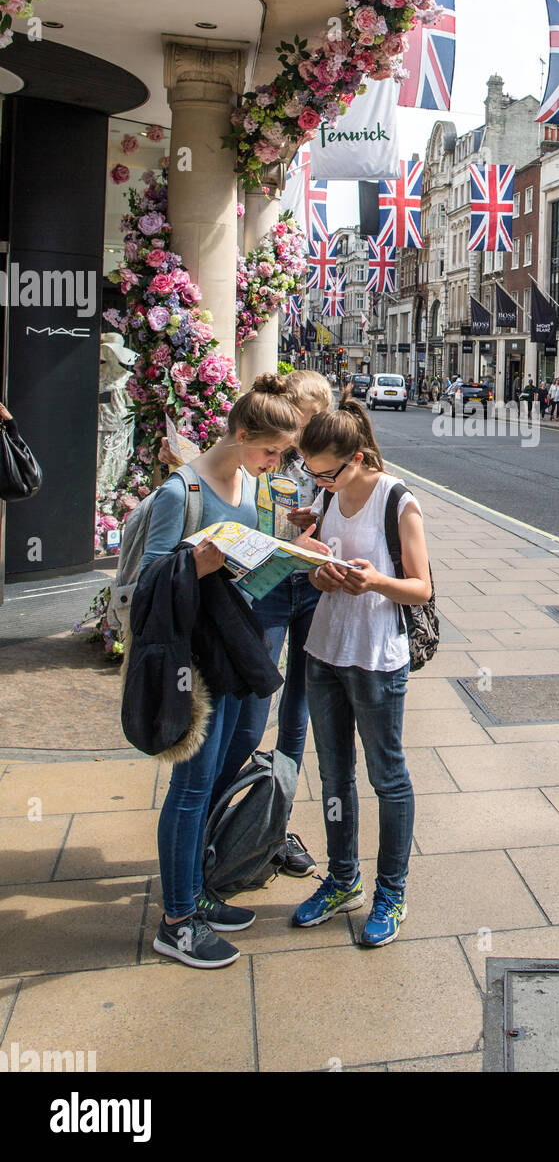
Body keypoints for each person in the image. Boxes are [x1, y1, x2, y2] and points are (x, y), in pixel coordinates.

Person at [145, 375, 301, 969]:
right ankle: (177, 920)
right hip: (194, 665)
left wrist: (288, 547)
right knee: (188, 791)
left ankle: (199, 895)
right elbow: (149, 584)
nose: (275, 462)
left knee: (210, 781)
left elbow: (248, 564)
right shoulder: (179, 493)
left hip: (233, 649)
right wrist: (200, 562)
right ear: (240, 435)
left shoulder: (247, 483)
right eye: (270, 451)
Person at [291, 395, 432, 947]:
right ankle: (343, 878)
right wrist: (317, 571)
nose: (319, 482)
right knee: (332, 774)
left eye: (327, 472)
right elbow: (319, 567)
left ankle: (390, 893)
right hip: (324, 649)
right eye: (313, 473)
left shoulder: (398, 501)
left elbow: (421, 588)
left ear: (357, 456)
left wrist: (374, 581)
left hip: (376, 656)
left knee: (387, 777)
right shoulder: (328, 498)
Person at [208, 370, 334, 877]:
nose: (303, 442)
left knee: (298, 714)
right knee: (250, 714)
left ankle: (271, 827)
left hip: (311, 586)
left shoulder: (318, 456)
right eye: (302, 427)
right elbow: (240, 522)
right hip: (265, 589)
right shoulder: (261, 453)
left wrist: (317, 521)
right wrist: (284, 530)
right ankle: (213, 824)